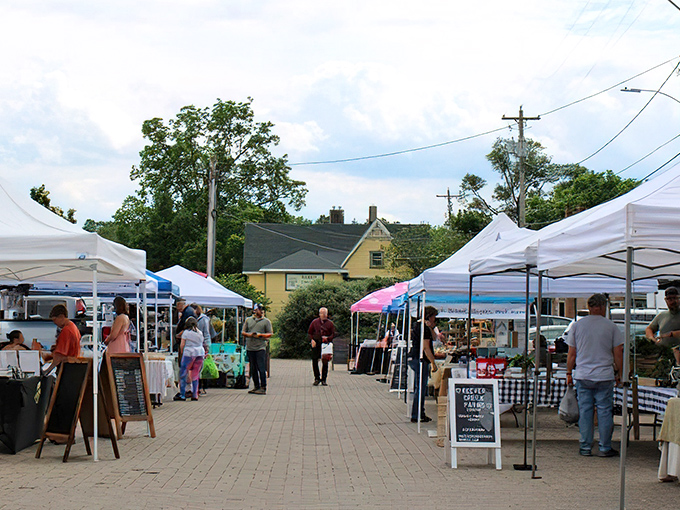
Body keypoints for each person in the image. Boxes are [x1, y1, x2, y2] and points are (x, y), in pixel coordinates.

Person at [566, 293, 623, 457]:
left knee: (585, 411)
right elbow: (618, 352)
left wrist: (569, 372)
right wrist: (619, 372)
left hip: (583, 374)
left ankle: (585, 446)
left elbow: (571, 353)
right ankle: (605, 447)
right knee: (605, 411)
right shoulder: (611, 326)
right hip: (604, 375)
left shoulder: (577, 326)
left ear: (589, 307)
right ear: (603, 306)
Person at [408, 306, 438, 423]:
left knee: (419, 387)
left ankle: (419, 412)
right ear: (429, 316)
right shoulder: (423, 328)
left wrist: (432, 327)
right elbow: (426, 347)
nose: (435, 320)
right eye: (434, 317)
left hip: (414, 358)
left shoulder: (420, 326)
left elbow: (434, 338)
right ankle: (417, 414)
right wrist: (433, 362)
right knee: (420, 387)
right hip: (420, 359)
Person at [42, 304, 82, 373]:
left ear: (61, 316)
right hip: (74, 367)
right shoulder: (73, 327)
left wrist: (47, 371)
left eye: (55, 320)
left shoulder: (66, 331)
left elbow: (59, 357)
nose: (55, 323)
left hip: (66, 368)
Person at [242, 303, 272, 395]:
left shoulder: (266, 321)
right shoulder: (248, 320)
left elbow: (270, 334)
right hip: (250, 347)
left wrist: (260, 335)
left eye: (259, 310)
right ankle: (256, 386)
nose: (258, 311)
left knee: (261, 367)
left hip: (260, 348)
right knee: (253, 368)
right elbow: (243, 332)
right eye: (256, 310)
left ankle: (263, 387)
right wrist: (249, 335)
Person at [645, 286, 680, 366]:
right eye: (669, 299)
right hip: (664, 356)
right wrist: (652, 338)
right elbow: (649, 328)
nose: (673, 301)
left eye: (675, 298)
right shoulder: (662, 316)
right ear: (666, 300)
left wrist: (672, 334)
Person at [173, 317, 205, 402]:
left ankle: (183, 394)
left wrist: (181, 353)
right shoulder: (200, 333)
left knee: (183, 373)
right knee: (195, 374)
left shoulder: (186, 333)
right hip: (199, 353)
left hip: (189, 353)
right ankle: (195, 394)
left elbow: (182, 345)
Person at [308, 307, 336, 386]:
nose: (323, 315)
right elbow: (310, 332)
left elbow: (333, 334)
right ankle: (317, 378)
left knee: (325, 362)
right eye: (321, 313)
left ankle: (324, 379)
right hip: (316, 343)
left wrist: (328, 339)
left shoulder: (330, 324)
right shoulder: (314, 322)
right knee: (314, 360)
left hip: (325, 344)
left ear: (327, 314)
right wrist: (312, 340)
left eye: (324, 314)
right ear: (319, 314)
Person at [193, 303, 212, 395]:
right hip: (194, 346)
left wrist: (207, 346)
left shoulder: (204, 319)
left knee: (201, 367)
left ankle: (202, 386)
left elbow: (206, 333)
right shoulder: (193, 318)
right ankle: (197, 387)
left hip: (202, 346)